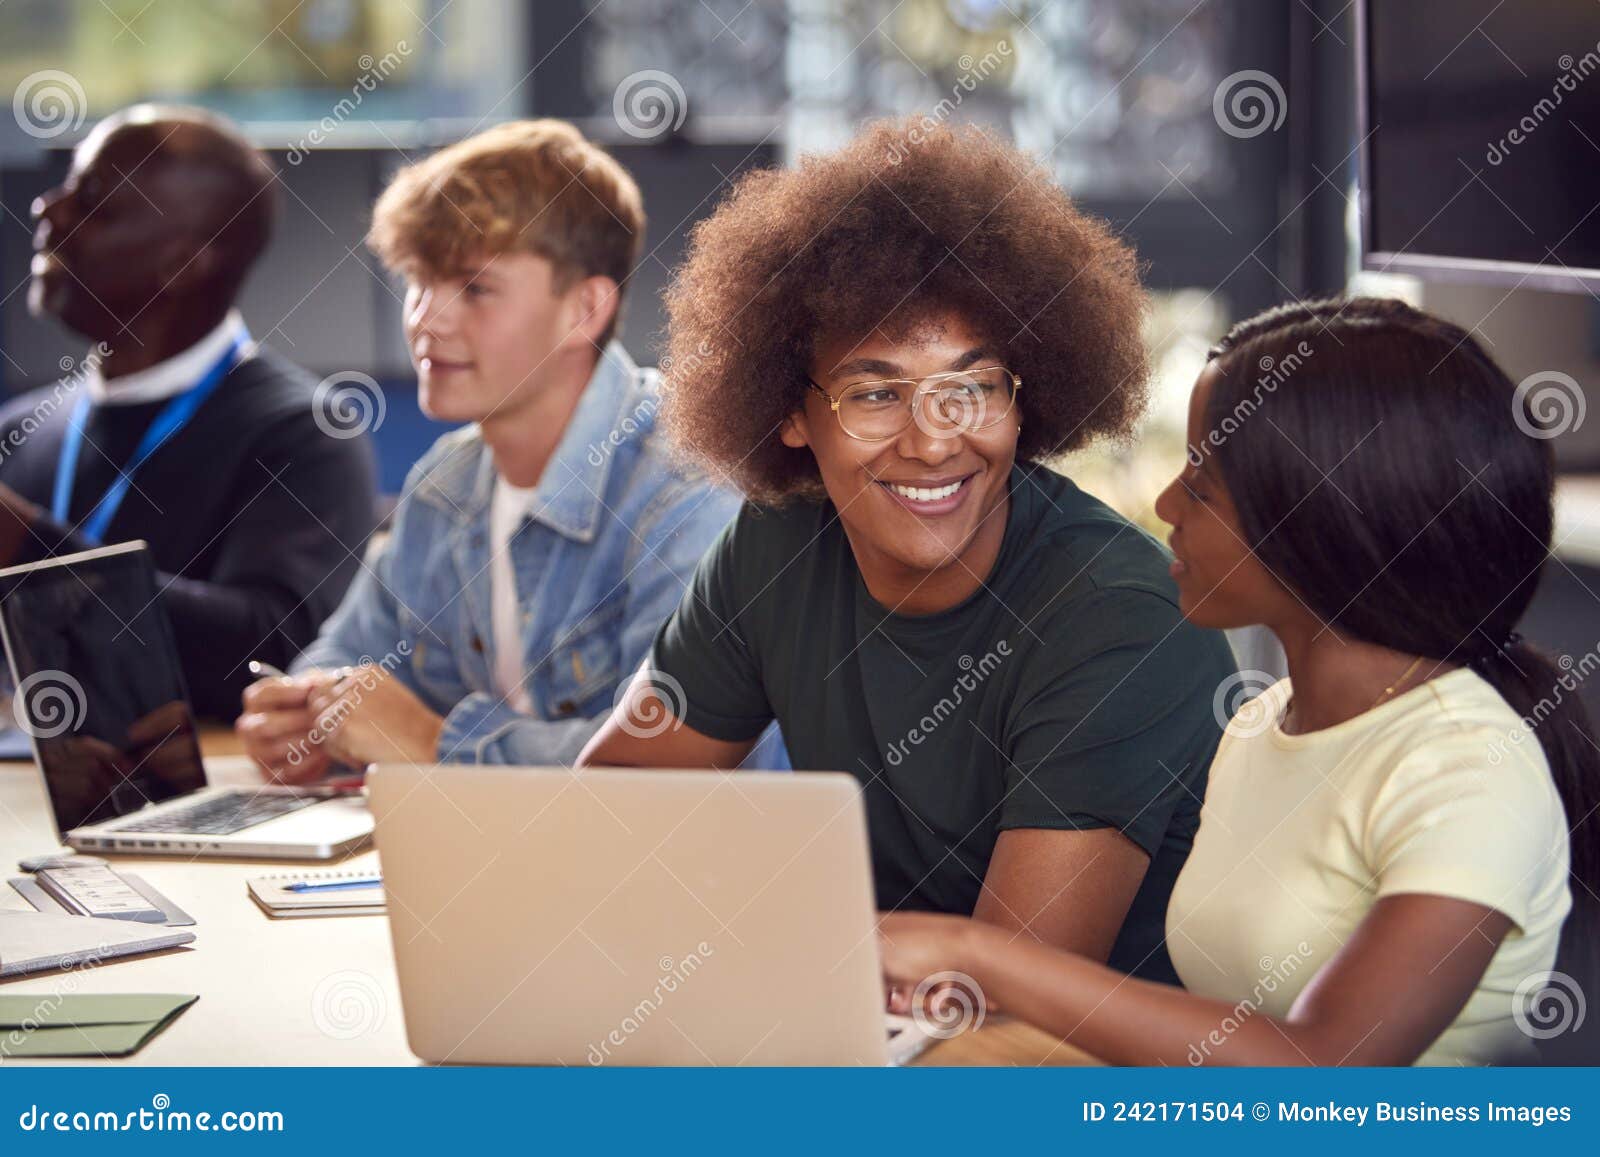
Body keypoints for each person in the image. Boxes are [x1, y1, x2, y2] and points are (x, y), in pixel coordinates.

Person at [579, 121, 1237, 982]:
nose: (933, 443)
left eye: (971, 387)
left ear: (1024, 395)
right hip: (870, 1025)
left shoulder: (1121, 615)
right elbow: (608, 815)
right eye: (877, 392)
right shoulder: (779, 539)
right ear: (787, 410)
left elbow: (1006, 987)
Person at [878, 297, 1600, 1066]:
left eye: (1202, 483)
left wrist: (978, 953)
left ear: (1320, 518)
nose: (1164, 505)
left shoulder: (1467, 771)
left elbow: (1325, 1071)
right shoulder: (1262, 723)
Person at [238, 120, 777, 777]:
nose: (425, 319)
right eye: (418, 280)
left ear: (585, 309)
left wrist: (434, 740)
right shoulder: (447, 482)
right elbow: (345, 654)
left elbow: (676, 771)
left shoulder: (687, 485)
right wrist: (304, 717)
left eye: (474, 287)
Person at [0, 104, 377, 719]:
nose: (48, 209)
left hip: (198, 801)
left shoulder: (303, 435)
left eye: (93, 201)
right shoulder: (19, 432)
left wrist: (24, 545)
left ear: (184, 262)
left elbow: (272, 657)